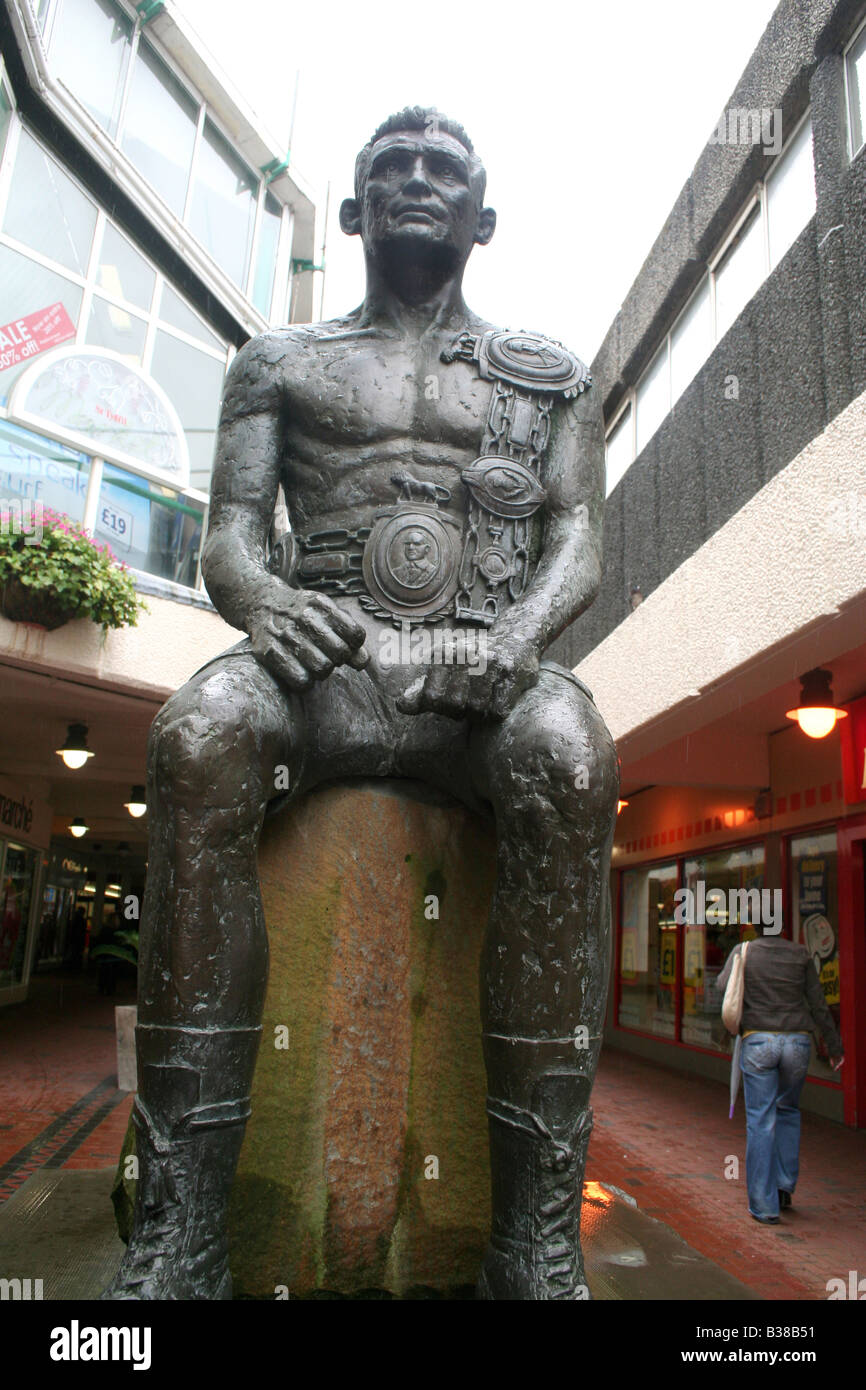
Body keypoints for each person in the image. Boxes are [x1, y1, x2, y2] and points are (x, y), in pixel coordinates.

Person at [103, 107, 618, 1301]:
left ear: (482, 217)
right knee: (196, 734)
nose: (417, 183)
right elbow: (228, 540)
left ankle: (532, 1240)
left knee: (570, 754)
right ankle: (182, 1226)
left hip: (471, 680)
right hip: (321, 670)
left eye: (444, 170)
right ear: (353, 210)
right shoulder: (278, 362)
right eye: (391, 169)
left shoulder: (549, 373)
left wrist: (516, 639)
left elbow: (577, 538)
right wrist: (266, 606)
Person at [717, 922, 844, 1224]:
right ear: (783, 926)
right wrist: (835, 1047)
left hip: (759, 1041)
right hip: (797, 1043)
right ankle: (784, 1186)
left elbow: (723, 987)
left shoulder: (743, 951)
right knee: (787, 1110)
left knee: (761, 1120)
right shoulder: (800, 954)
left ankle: (765, 1206)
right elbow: (818, 1004)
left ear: (756, 926)